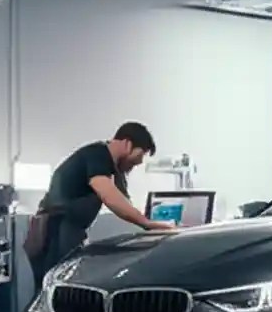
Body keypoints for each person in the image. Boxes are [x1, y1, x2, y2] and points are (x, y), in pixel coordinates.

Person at [26, 122, 175, 293]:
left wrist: (156, 225)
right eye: (139, 155)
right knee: (56, 291)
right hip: (55, 229)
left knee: (60, 289)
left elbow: (123, 200)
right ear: (127, 144)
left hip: (67, 228)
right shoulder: (98, 155)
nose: (138, 163)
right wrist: (147, 223)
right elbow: (109, 195)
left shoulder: (111, 167)